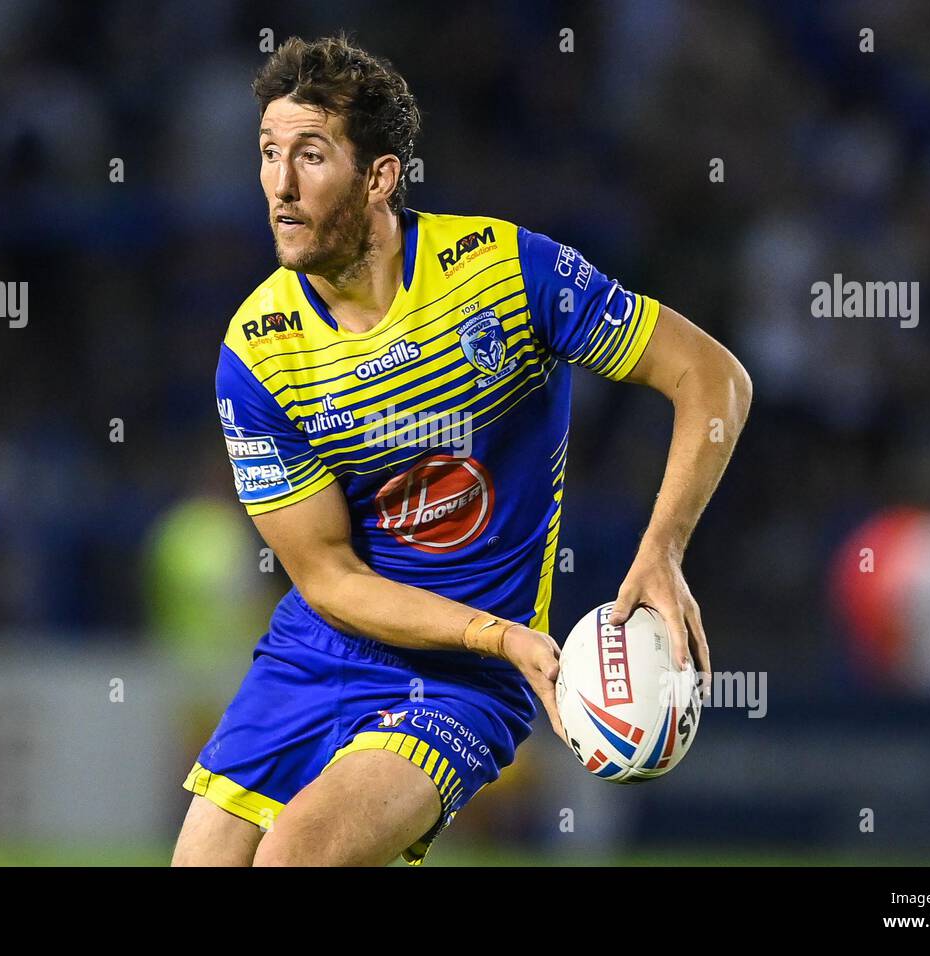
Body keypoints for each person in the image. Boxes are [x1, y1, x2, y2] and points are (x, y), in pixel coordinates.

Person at [172, 33, 751, 866]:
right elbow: (328, 576)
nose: (281, 184)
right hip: (321, 650)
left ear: (379, 177)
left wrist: (663, 549)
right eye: (269, 153)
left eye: (311, 155)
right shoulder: (259, 349)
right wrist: (498, 634)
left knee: (298, 854)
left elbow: (713, 378)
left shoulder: (504, 274)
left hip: (463, 678)